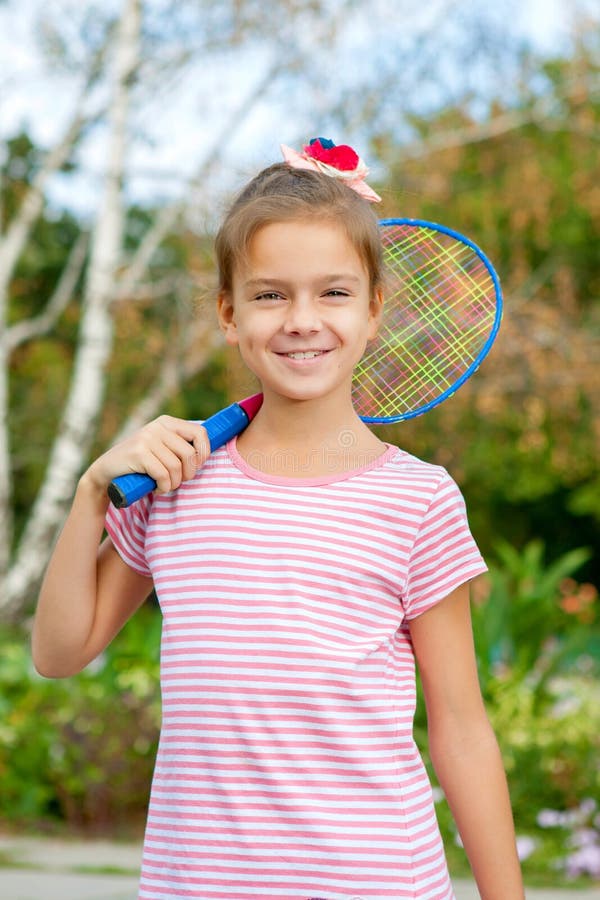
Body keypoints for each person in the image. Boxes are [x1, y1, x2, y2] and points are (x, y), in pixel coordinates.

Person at [33, 137, 524, 900]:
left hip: (379, 883)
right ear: (229, 315)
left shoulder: (418, 500)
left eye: (333, 293)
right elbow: (60, 652)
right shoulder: (172, 485)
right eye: (269, 295)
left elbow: (461, 728)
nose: (302, 320)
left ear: (373, 311)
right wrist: (91, 493)